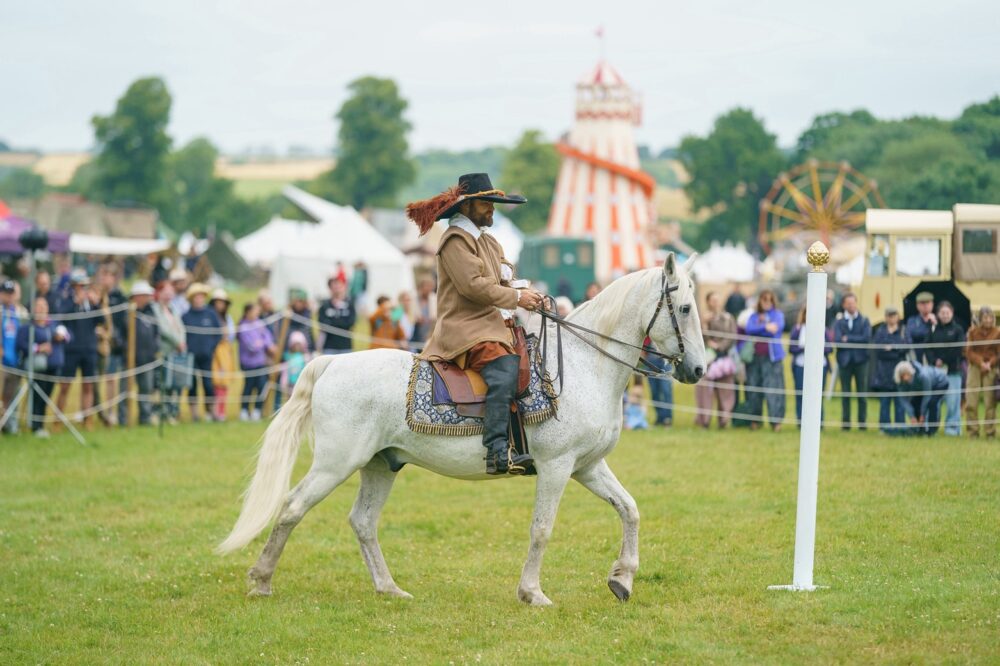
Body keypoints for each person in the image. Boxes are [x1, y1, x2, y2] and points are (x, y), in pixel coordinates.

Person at [407, 172, 543, 474]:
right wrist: (518, 299)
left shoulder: (488, 242)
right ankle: (497, 452)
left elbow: (503, 279)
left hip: (491, 323)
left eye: (493, 203)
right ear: (467, 206)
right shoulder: (456, 240)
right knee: (504, 369)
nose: (492, 209)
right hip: (465, 327)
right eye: (486, 203)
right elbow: (474, 287)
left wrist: (528, 292)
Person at [55, 272, 102, 430]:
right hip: (72, 350)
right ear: (74, 287)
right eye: (80, 286)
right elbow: (62, 317)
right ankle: (57, 420)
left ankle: (87, 419)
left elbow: (101, 321)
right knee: (65, 386)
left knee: (88, 385)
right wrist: (76, 302)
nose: (82, 289)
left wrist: (97, 304)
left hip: (89, 349)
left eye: (84, 286)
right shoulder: (68, 302)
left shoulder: (91, 304)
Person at [16, 296, 68, 437]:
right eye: (38, 306)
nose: (41, 308)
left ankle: (40, 425)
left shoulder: (53, 325)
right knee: (37, 396)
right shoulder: (28, 327)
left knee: (46, 396)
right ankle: (35, 426)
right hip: (37, 368)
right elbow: (21, 344)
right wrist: (38, 348)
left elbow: (69, 336)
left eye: (44, 305)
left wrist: (62, 337)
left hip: (52, 367)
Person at [695, 291, 738, 428]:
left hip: (724, 359)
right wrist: (703, 324)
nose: (716, 303)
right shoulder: (701, 319)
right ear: (707, 302)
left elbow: (732, 336)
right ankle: (704, 420)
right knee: (703, 390)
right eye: (713, 300)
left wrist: (720, 346)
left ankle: (724, 420)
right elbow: (697, 337)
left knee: (725, 390)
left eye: (717, 300)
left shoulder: (727, 318)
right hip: (706, 358)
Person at [744, 289, 786, 431]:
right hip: (755, 358)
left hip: (772, 359)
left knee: (773, 389)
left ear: (773, 301)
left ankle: (776, 422)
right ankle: (755, 421)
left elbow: (776, 329)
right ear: (760, 301)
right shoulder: (753, 316)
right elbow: (749, 329)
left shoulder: (778, 315)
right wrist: (765, 327)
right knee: (754, 388)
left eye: (769, 299)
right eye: (764, 299)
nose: (767, 302)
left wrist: (762, 326)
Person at [181, 283, 222, 422]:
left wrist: (211, 346)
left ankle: (212, 412)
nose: (199, 299)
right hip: (191, 356)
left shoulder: (210, 314)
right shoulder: (186, 316)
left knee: (208, 384)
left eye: (201, 296)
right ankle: (194, 415)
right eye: (196, 296)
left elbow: (218, 333)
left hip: (207, 355)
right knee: (192, 385)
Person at [832, 292, 872, 431]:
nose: (851, 305)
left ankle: (862, 423)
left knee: (862, 393)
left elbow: (866, 338)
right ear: (844, 305)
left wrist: (848, 338)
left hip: (861, 361)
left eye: (853, 302)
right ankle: (846, 423)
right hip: (844, 362)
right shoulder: (839, 322)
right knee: (846, 394)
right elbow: (837, 340)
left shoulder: (864, 320)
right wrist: (853, 338)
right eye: (848, 303)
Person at [927, 301, 966, 436]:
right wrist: (934, 360)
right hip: (936, 372)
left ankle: (953, 428)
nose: (944, 315)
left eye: (947, 313)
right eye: (942, 313)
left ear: (952, 313)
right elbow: (928, 347)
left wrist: (943, 360)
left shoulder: (958, 329)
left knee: (953, 401)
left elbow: (957, 349)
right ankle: (932, 427)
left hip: (953, 371)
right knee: (934, 401)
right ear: (938, 314)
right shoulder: (933, 329)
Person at [788, 305, 833, 423]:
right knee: (800, 394)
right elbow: (791, 348)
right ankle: (800, 420)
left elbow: (829, 348)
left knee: (818, 395)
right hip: (800, 365)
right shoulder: (798, 329)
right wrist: (804, 349)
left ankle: (819, 421)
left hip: (820, 366)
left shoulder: (823, 329)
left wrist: (816, 348)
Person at [151, 280, 186, 425]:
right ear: (159, 293)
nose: (168, 295)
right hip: (162, 352)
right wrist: (177, 342)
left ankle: (170, 413)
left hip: (175, 353)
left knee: (173, 385)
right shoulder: (154, 309)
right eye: (166, 292)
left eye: (171, 293)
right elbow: (163, 329)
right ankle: (156, 413)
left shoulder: (173, 309)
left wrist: (181, 342)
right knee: (159, 385)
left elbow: (181, 327)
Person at [871, 307, 909, 435]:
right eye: (889, 315)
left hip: (900, 372)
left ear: (898, 317)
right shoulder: (880, 331)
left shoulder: (903, 330)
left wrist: (891, 349)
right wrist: (895, 350)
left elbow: (906, 347)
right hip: (883, 372)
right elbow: (879, 350)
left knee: (900, 402)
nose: (891, 318)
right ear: (886, 317)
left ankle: (900, 428)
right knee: (884, 403)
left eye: (894, 315)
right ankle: (885, 428)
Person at [127, 281, 160, 426]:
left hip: (147, 358)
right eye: (145, 295)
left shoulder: (151, 312)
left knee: (146, 389)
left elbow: (156, 332)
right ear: (137, 296)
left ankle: (145, 419)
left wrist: (155, 349)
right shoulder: (127, 312)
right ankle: (124, 419)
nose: (148, 298)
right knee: (126, 390)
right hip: (128, 358)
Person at [237, 302, 276, 422]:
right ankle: (244, 410)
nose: (256, 314)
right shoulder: (243, 327)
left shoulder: (260, 324)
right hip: (248, 363)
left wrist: (263, 343)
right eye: (254, 311)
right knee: (248, 387)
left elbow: (267, 338)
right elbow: (251, 347)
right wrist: (262, 343)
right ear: (247, 312)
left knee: (261, 386)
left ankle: (257, 410)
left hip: (261, 362)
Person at [965, 305, 1000, 438]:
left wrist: (990, 363)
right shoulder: (973, 332)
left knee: (990, 401)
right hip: (975, 366)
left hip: (991, 367)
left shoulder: (997, 332)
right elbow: (969, 351)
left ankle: (990, 431)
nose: (988, 320)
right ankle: (972, 431)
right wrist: (980, 362)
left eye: (990, 317)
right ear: (980, 318)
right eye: (985, 317)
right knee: (971, 399)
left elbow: (998, 353)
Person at [894, 360, 948, 436]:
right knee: (914, 402)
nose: (905, 378)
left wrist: (922, 414)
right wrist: (912, 416)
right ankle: (919, 428)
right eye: (902, 376)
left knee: (932, 403)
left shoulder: (923, 376)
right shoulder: (901, 382)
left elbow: (927, 396)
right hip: (922, 388)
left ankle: (932, 431)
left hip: (940, 382)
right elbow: (903, 400)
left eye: (906, 375)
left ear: (910, 372)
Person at [210, 289, 236, 422]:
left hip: (225, 353)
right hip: (215, 352)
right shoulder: (210, 316)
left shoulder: (228, 319)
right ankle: (212, 411)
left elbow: (231, 336)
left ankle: (221, 411)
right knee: (214, 382)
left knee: (224, 382)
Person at [1, 280, 22, 433]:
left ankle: (6, 424)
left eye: (11, 293)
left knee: (9, 396)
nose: (8, 297)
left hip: (15, 362)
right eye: (5, 293)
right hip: (1, 363)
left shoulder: (18, 313)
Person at [317, 278, 356, 355]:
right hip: (329, 347)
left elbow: (350, 323)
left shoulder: (349, 305)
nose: (337, 289)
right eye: (334, 287)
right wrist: (340, 321)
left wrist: (333, 321)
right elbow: (323, 324)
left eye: (339, 286)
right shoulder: (325, 305)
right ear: (330, 288)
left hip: (345, 346)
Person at [906, 291, 936, 364]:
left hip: (935, 360)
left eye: (928, 303)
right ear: (917, 305)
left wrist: (935, 325)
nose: (925, 306)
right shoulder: (912, 320)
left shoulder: (939, 320)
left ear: (932, 304)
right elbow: (910, 335)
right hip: (917, 359)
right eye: (922, 303)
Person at [280, 330, 309, 399]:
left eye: (299, 344)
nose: (297, 346)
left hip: (300, 381)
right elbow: (285, 369)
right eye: (295, 344)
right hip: (290, 382)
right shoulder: (288, 356)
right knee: (289, 397)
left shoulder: (305, 357)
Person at [411, 277, 437, 349]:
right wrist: (415, 319)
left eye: (430, 286)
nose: (428, 289)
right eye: (426, 286)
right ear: (420, 287)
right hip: (416, 332)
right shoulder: (412, 298)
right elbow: (398, 315)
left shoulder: (435, 299)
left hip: (431, 332)